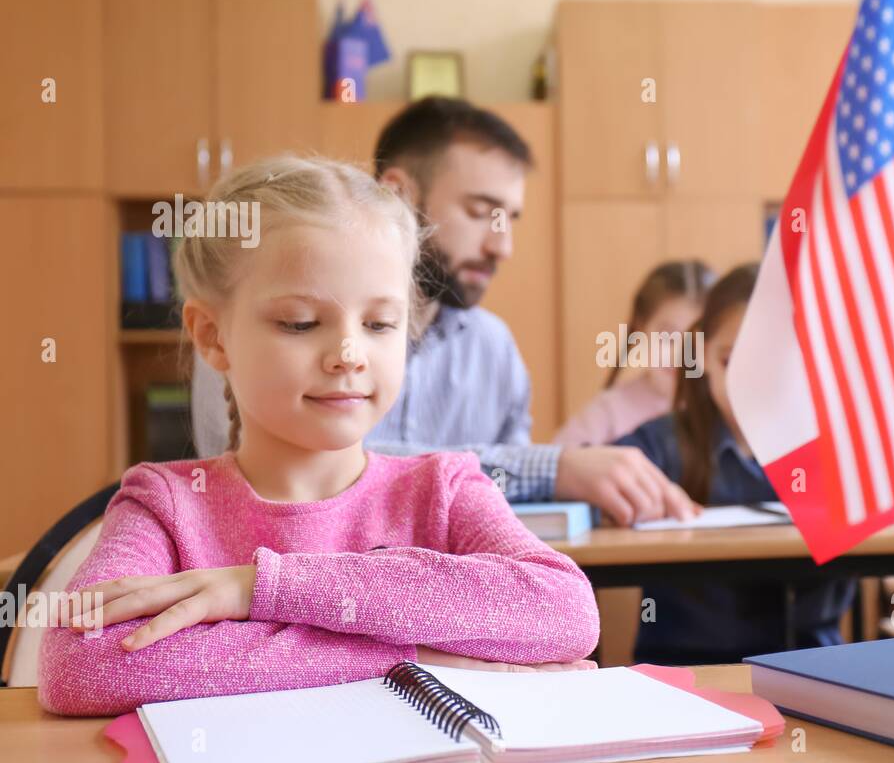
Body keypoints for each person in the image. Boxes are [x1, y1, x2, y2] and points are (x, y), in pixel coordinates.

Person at [39, 157, 600, 717]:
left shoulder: (444, 487)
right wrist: (411, 658)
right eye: (301, 323)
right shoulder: (164, 504)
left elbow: (566, 612)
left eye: (380, 324)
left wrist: (260, 588)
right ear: (212, 336)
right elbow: (82, 663)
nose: (349, 355)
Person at [191, 97, 696, 526]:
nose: (503, 245)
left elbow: (502, 507)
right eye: (481, 212)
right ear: (399, 195)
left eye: (510, 219)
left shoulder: (493, 347)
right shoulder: (247, 329)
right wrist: (553, 468)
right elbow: (296, 465)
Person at [614, 264, 858, 665]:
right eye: (732, 361)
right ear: (703, 355)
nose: (750, 383)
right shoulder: (659, 445)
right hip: (686, 668)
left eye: (771, 364)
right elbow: (594, 491)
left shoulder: (835, 450)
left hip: (810, 665)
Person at [554, 260, 715, 446]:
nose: (679, 355)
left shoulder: (723, 415)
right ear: (641, 329)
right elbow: (551, 465)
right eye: (666, 336)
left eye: (693, 341)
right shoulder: (607, 414)